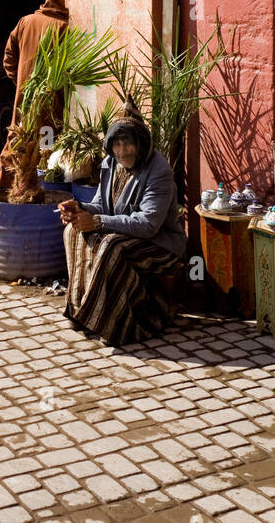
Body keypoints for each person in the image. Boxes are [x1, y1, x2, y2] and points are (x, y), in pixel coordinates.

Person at [59, 102, 186, 346]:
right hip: (127, 234)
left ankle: (114, 324)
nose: (122, 150)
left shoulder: (159, 170)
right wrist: (79, 210)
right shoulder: (110, 163)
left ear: (140, 143)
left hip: (161, 243)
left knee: (111, 246)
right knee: (72, 232)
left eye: (128, 143)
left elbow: (148, 224)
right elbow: (100, 205)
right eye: (116, 144)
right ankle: (81, 311)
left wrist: (96, 221)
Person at [0, 0, 69, 191]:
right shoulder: (64, 28)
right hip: (51, 100)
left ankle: (3, 185)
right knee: (47, 140)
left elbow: (8, 56)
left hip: (25, 95)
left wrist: (20, 81)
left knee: (18, 136)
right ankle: (39, 187)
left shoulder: (26, 21)